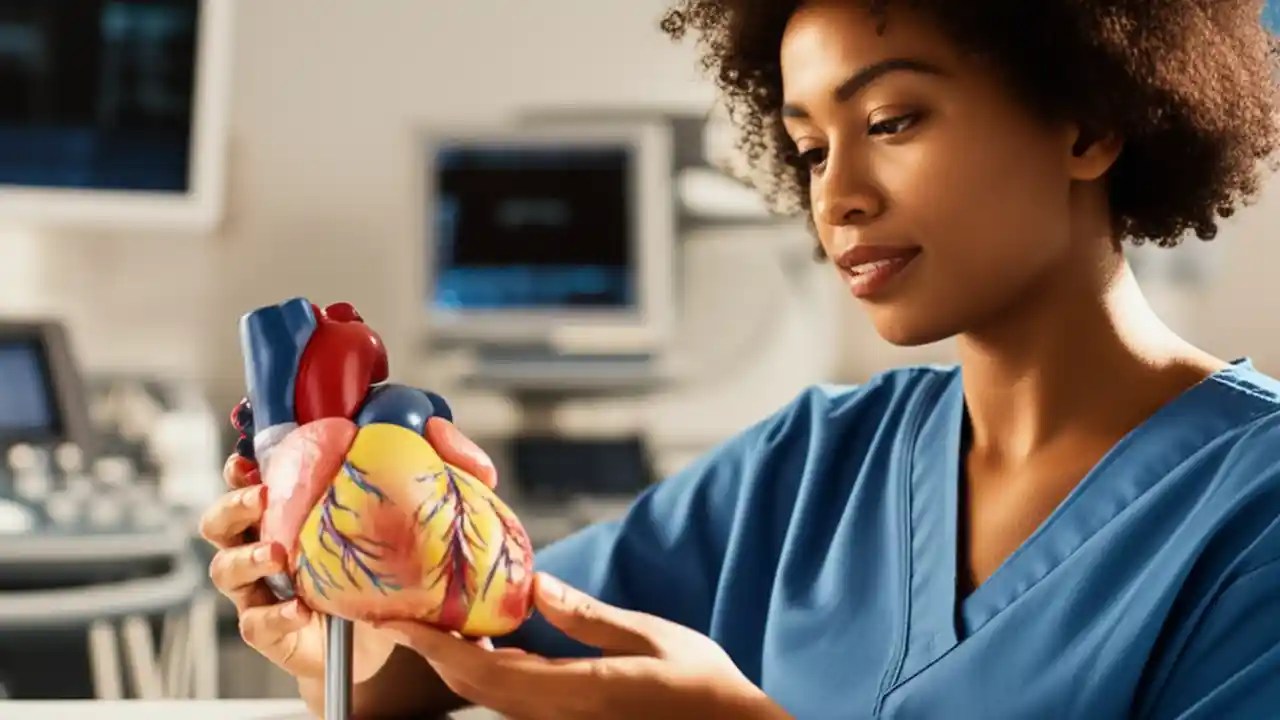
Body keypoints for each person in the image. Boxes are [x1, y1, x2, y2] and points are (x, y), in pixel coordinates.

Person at [199, 1, 1280, 717]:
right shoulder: (818, 463)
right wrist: (354, 551)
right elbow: (459, 657)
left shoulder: (1252, 510)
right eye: (809, 146)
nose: (836, 194)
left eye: (892, 120)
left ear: (1086, 125)